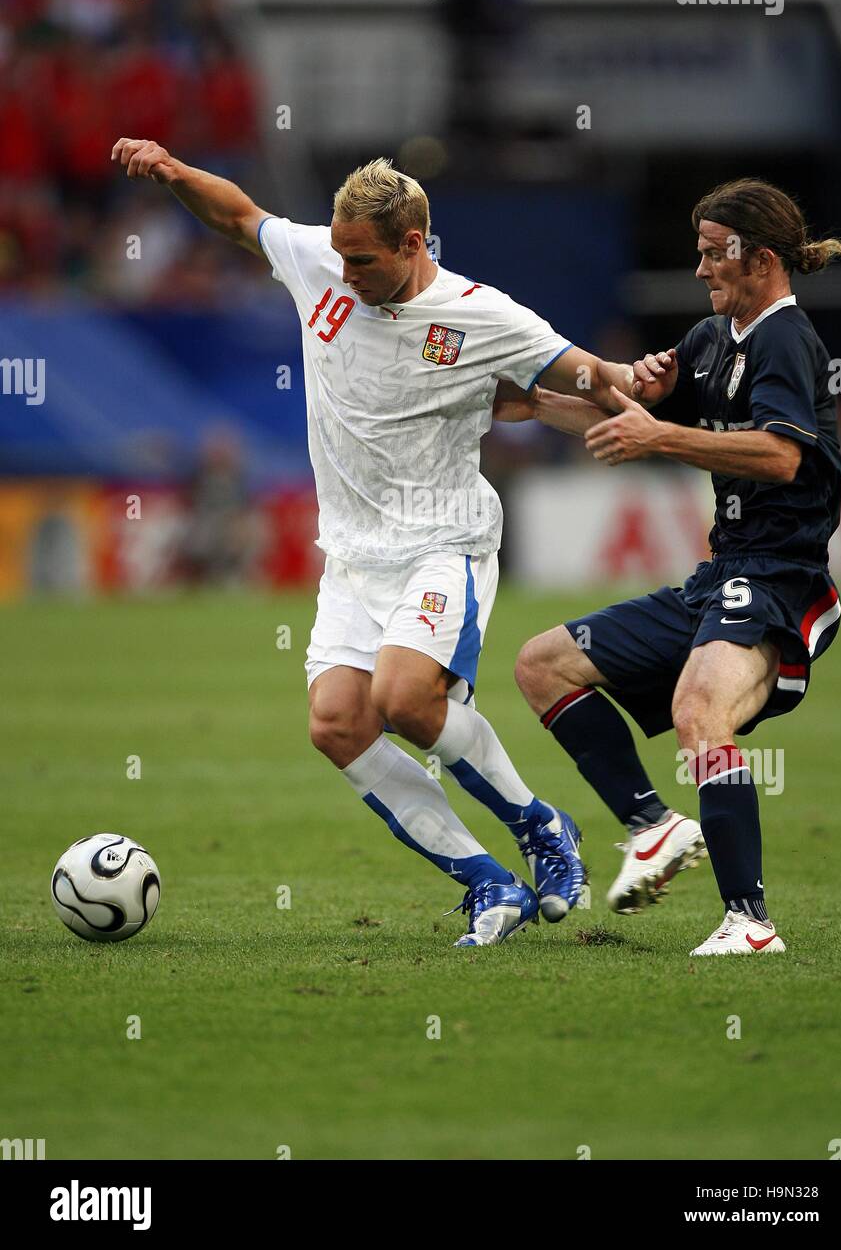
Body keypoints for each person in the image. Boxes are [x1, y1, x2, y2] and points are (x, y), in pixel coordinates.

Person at [110, 138, 635, 946]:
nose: (344, 272)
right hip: (353, 556)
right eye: (340, 253)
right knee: (336, 725)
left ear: (412, 243)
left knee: (404, 699)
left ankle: (540, 827)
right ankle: (488, 883)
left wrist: (655, 400)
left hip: (443, 542)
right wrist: (174, 174)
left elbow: (589, 377)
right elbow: (239, 216)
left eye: (362, 260)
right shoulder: (321, 259)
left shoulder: (483, 315)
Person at [513, 179, 841, 956]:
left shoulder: (783, 339)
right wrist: (527, 401)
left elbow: (780, 455)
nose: (699, 270)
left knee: (700, 712)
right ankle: (653, 825)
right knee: (543, 664)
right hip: (720, 575)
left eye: (711, 254)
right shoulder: (709, 340)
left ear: (759, 259)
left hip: (780, 580)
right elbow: (630, 417)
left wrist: (658, 437)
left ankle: (749, 923)